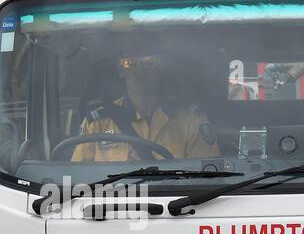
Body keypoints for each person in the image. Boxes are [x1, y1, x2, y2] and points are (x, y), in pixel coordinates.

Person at [72, 52, 219, 162]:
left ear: (161, 66)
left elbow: (210, 175)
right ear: (120, 70)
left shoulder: (191, 121)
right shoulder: (97, 124)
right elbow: (77, 181)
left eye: (150, 61)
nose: (141, 71)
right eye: (130, 63)